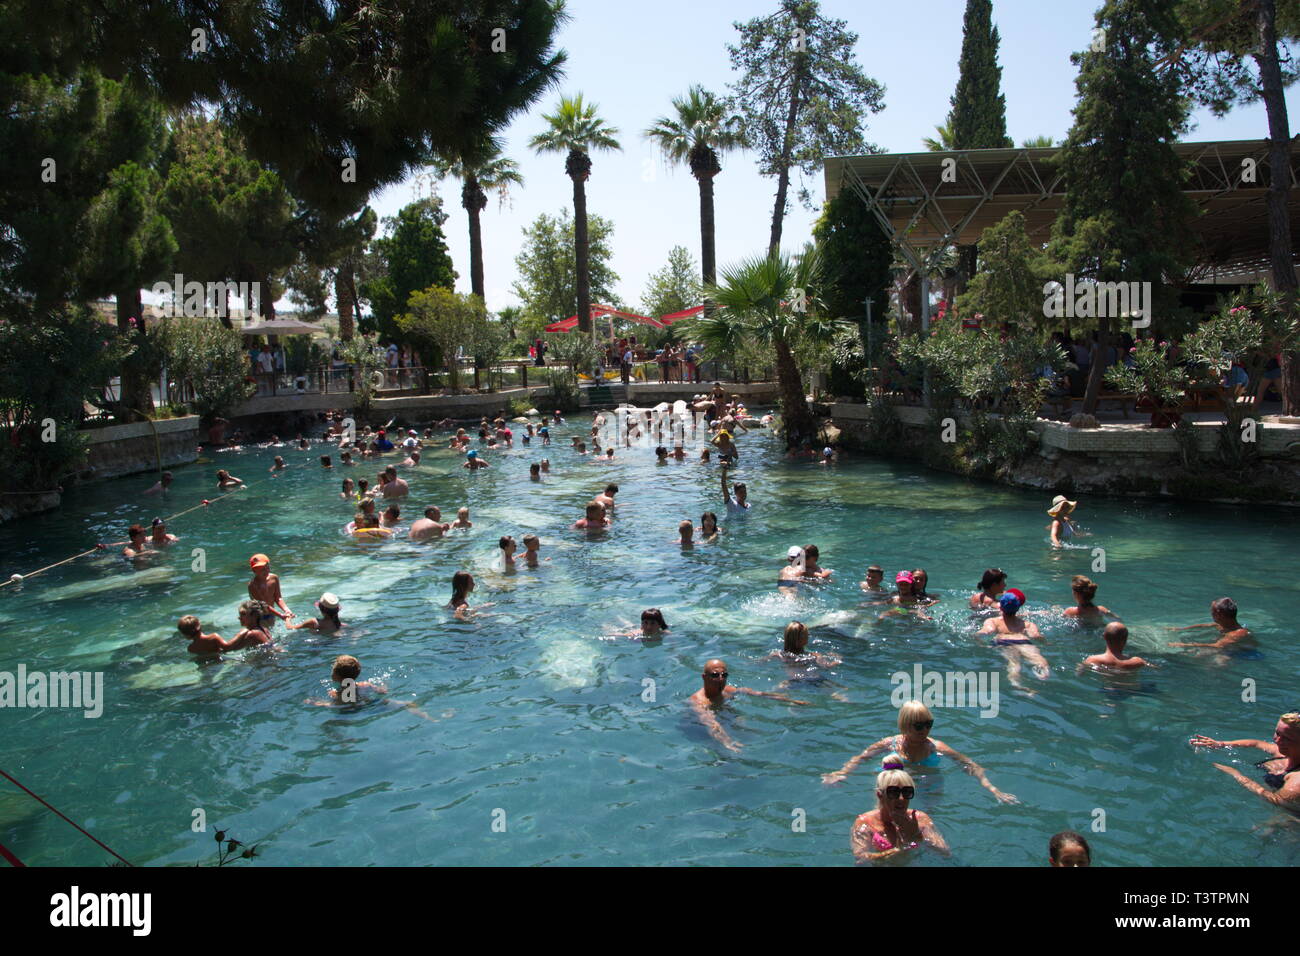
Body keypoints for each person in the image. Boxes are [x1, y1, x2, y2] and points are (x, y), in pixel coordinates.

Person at [824, 699, 1018, 803]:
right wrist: (841, 773)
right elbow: (861, 757)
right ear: (905, 725)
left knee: (928, 818)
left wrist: (993, 789)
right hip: (895, 784)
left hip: (928, 785)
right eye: (919, 726)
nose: (925, 730)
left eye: (928, 724)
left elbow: (970, 765)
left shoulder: (936, 747)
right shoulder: (890, 743)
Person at [688, 658, 808, 752]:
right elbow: (710, 723)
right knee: (719, 749)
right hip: (700, 729)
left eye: (724, 675)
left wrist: (790, 700)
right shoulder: (698, 701)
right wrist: (727, 742)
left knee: (744, 725)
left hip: (723, 716)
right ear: (704, 677)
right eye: (715, 675)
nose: (721, 679)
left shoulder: (728, 690)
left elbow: (758, 694)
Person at [1191, 712, 1300, 808]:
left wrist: (1237, 775)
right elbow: (1256, 743)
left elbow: (1276, 800)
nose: (1277, 740)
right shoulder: (1283, 752)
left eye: (1287, 738)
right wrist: (1221, 744)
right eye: (1277, 733)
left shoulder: (1296, 780)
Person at [850, 767, 950, 863]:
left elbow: (945, 853)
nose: (901, 798)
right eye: (894, 792)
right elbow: (861, 858)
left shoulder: (920, 819)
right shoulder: (866, 823)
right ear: (880, 795)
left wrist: (917, 836)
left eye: (907, 792)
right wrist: (899, 850)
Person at [979, 589, 1049, 688]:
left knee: (1014, 664)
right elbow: (1035, 636)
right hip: (1023, 641)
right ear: (1018, 608)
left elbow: (987, 631)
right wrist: (1046, 643)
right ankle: (1042, 676)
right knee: (1040, 660)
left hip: (1004, 640)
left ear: (1001, 607)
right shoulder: (1027, 624)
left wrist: (977, 638)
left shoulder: (993, 621)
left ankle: (1016, 683)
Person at [1168, 597, 1252, 651]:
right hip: (1226, 647)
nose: (1211, 614)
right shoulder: (1223, 624)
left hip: (1240, 652)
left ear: (1219, 615)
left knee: (1217, 662)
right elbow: (1205, 625)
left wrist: (1184, 645)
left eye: (1212, 612)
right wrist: (1181, 629)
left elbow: (1218, 646)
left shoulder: (1237, 633)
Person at [307, 655, 386, 705]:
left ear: (336, 677)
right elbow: (382, 691)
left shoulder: (335, 694)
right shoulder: (366, 685)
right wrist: (383, 686)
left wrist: (316, 703)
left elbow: (332, 705)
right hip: (365, 704)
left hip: (348, 712)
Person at [178, 614, 262, 655]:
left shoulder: (191, 649)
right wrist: (242, 632)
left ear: (185, 635)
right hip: (219, 661)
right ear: (199, 625)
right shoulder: (213, 637)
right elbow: (227, 647)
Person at [1080, 621, 1147, 671]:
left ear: (1104, 636)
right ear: (1126, 639)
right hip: (1131, 686)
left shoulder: (1093, 660)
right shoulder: (1137, 661)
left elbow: (1079, 673)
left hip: (1106, 686)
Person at [248, 553, 294, 625]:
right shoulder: (253, 585)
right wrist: (280, 615)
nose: (264, 571)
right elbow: (263, 605)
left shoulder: (274, 578)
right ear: (254, 571)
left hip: (271, 613)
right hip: (258, 616)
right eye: (260, 569)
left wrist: (286, 610)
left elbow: (278, 598)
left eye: (266, 567)